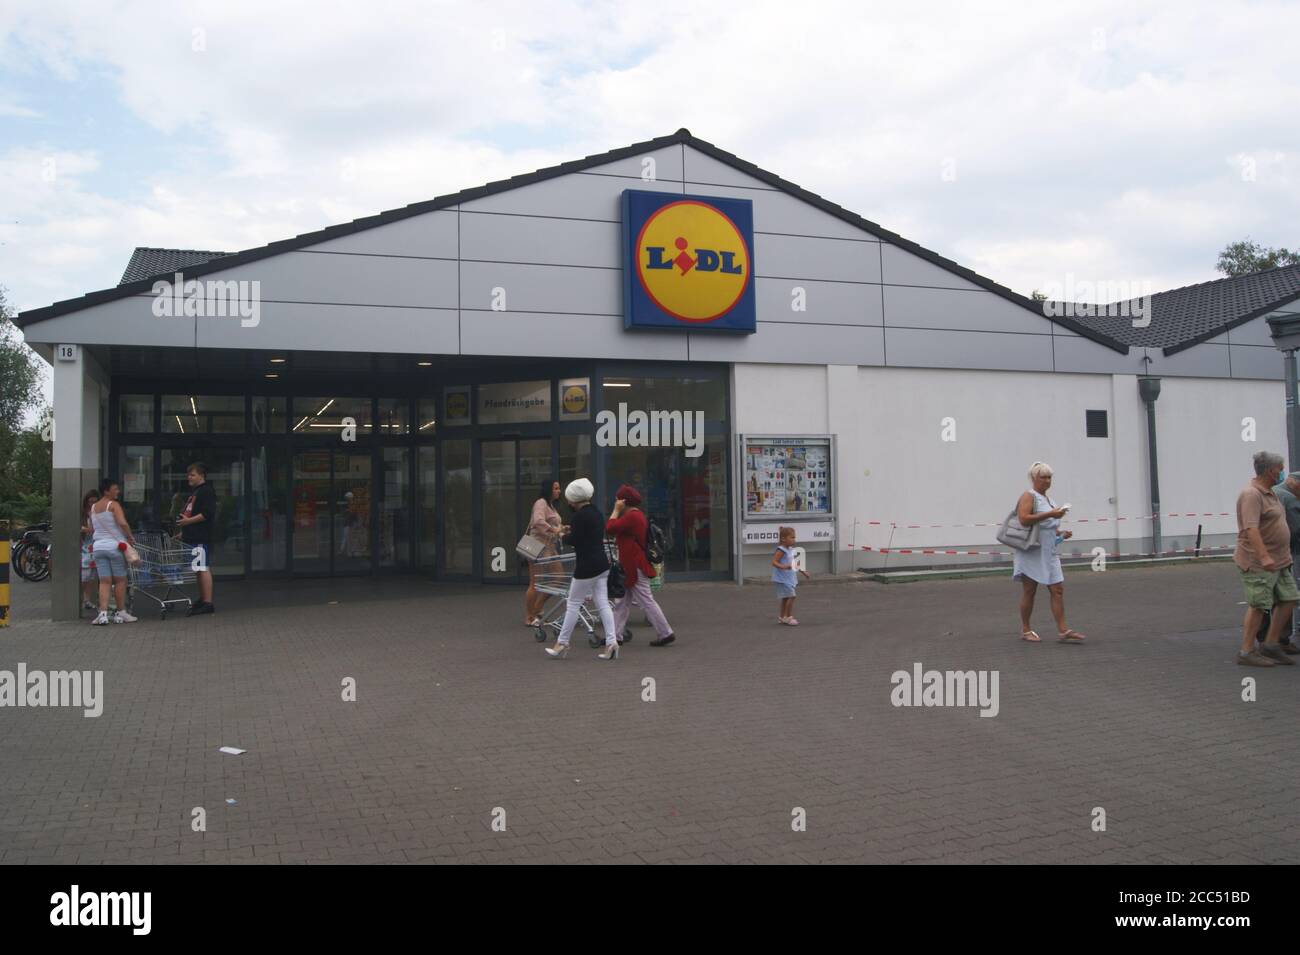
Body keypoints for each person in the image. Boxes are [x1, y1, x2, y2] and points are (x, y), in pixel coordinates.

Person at [544, 478, 619, 660]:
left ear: (575, 500)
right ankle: (612, 643)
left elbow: (574, 540)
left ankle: (562, 643)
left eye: (570, 500)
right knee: (602, 603)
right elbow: (587, 534)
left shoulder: (579, 516)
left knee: (573, 603)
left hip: (586, 567)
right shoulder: (596, 513)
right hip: (602, 565)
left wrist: (562, 534)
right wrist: (572, 530)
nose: (568, 502)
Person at [1234, 451, 1297, 667]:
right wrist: (1264, 556)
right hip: (1259, 562)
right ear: (1271, 471)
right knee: (1258, 604)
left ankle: (1271, 644)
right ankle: (1247, 651)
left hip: (1280, 561)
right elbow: (1251, 528)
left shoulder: (1270, 492)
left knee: (1289, 598)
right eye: (1280, 469)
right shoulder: (1252, 494)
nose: (1282, 473)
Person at [1013, 461, 1085, 643]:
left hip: (1049, 551)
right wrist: (1051, 514)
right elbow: (1023, 519)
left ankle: (1063, 631)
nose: (1047, 480)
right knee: (1030, 590)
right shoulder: (1029, 496)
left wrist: (1060, 532)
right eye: (1043, 477)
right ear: (1033, 478)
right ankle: (1026, 629)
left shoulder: (1050, 500)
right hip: (1032, 551)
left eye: (1049, 477)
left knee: (1057, 589)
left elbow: (1047, 526)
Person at [606, 484, 675, 647]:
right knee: (621, 602)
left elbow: (610, 528)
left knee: (646, 601)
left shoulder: (631, 517)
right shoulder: (636, 515)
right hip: (632, 564)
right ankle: (615, 636)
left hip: (634, 565)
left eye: (618, 500)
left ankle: (666, 633)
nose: (615, 502)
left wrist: (615, 511)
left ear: (624, 501)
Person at [88, 478, 138, 625]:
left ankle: (102, 614)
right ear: (106, 491)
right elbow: (122, 523)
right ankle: (121, 612)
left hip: (98, 548)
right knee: (120, 580)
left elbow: (92, 528)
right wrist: (129, 536)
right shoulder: (113, 504)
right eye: (115, 489)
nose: (118, 491)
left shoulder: (93, 507)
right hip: (115, 547)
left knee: (104, 581)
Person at [176, 462, 217, 616]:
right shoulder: (196, 492)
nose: (189, 477)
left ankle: (208, 602)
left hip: (200, 536)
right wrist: (184, 531)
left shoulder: (206, 491)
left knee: (203, 568)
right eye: (188, 475)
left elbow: (207, 513)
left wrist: (187, 522)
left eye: (192, 475)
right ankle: (203, 598)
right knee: (198, 569)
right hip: (192, 536)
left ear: (202, 475)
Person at [524, 479, 565, 626]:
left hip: (549, 546)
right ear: (549, 489)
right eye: (556, 488)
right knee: (535, 582)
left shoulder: (551, 506)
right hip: (537, 546)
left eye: (559, 488)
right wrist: (554, 529)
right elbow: (538, 521)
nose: (559, 491)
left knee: (558, 578)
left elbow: (553, 525)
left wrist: (562, 530)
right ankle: (529, 616)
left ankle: (537, 608)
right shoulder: (541, 503)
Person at [1270, 470, 1300, 654]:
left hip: (1270, 554)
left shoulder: (1272, 492)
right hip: (1282, 554)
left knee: (1273, 598)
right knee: (1285, 597)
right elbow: (1297, 527)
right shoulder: (1288, 498)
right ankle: (1277, 640)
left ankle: (1270, 639)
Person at [771, 526, 811, 625]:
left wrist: (803, 571)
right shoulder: (781, 550)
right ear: (784, 539)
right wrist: (784, 566)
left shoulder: (790, 549)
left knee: (785, 598)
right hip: (782, 579)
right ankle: (788, 617)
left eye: (794, 537)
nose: (794, 540)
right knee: (792, 596)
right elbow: (774, 562)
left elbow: (794, 563)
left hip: (788, 578)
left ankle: (782, 617)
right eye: (792, 537)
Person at [79, 488, 100, 611]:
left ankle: (90, 599)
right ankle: (84, 598)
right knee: (85, 574)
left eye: (94, 502)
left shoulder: (99, 512)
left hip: (96, 544)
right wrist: (83, 529)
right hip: (85, 546)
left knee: (94, 575)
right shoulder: (83, 514)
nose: (92, 504)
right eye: (90, 502)